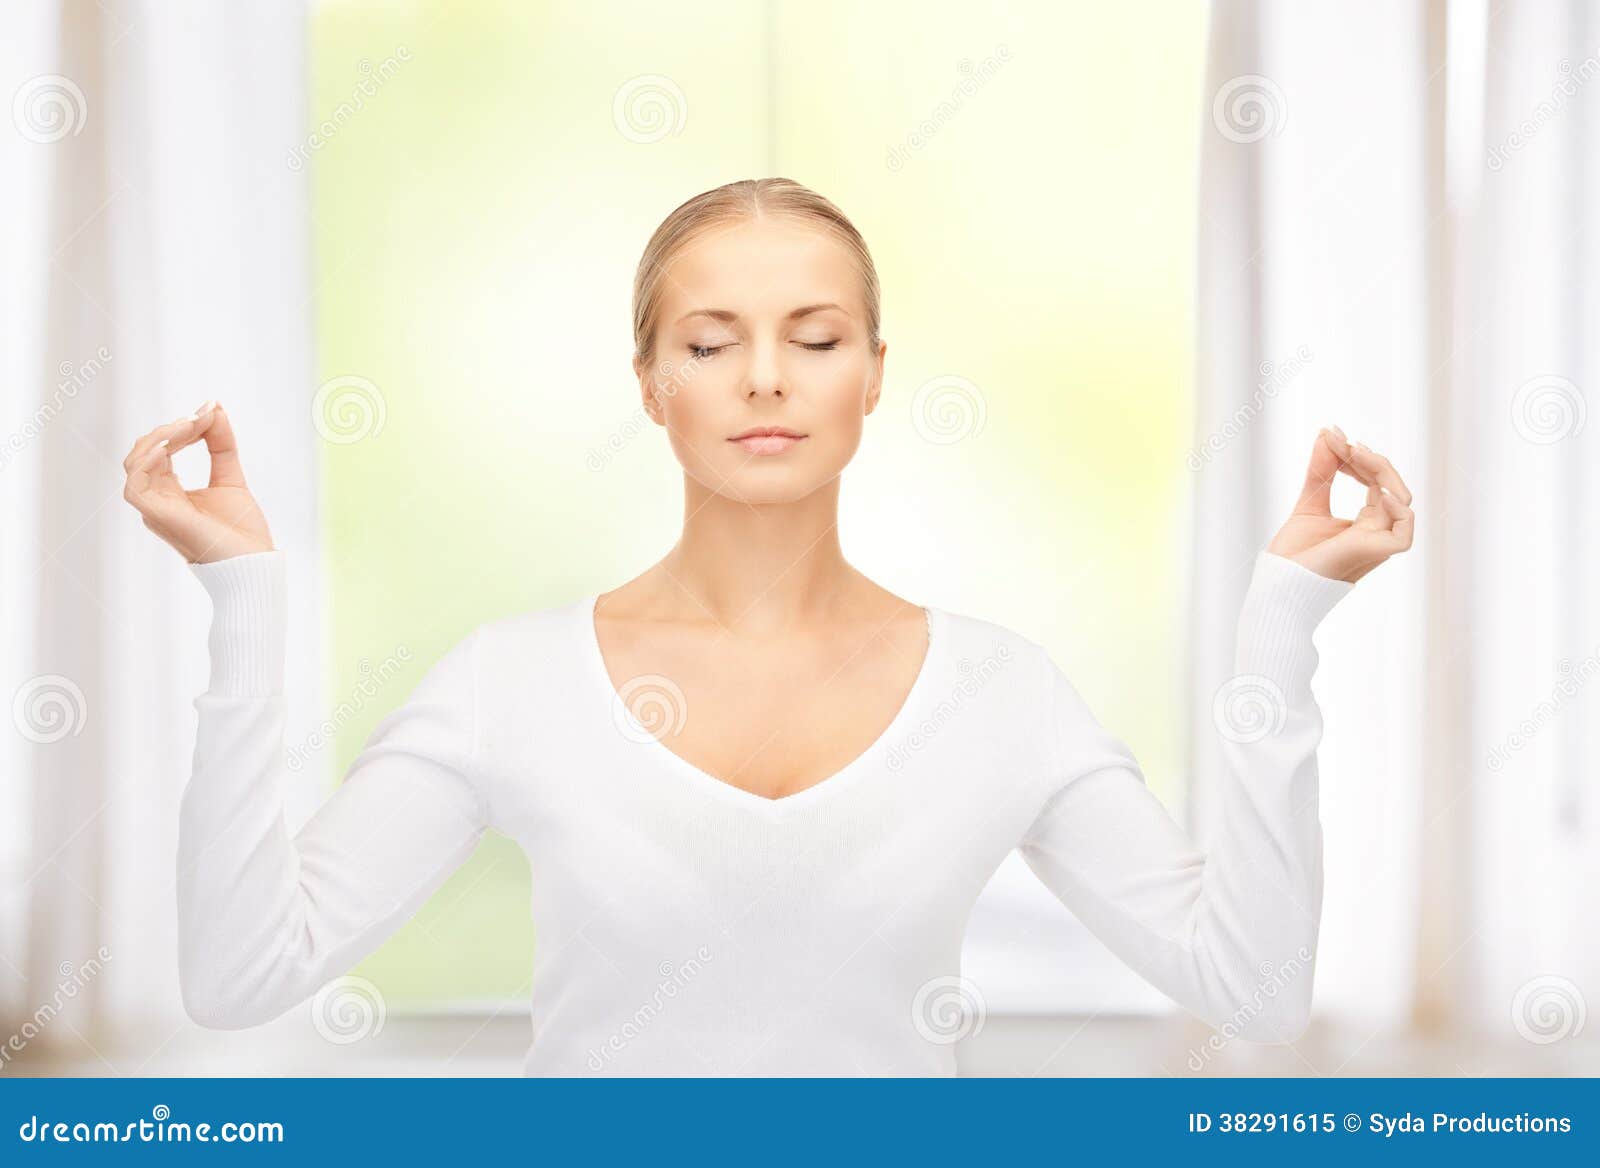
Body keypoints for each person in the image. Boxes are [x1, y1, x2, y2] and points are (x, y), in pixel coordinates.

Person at [121, 178, 1415, 1076]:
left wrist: (1283, 627)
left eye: (813, 335)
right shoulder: (510, 684)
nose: (763, 378)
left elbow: (1250, 984)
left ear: (872, 376)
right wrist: (241, 601)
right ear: (651, 386)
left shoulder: (1001, 696)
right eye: (708, 341)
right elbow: (241, 974)